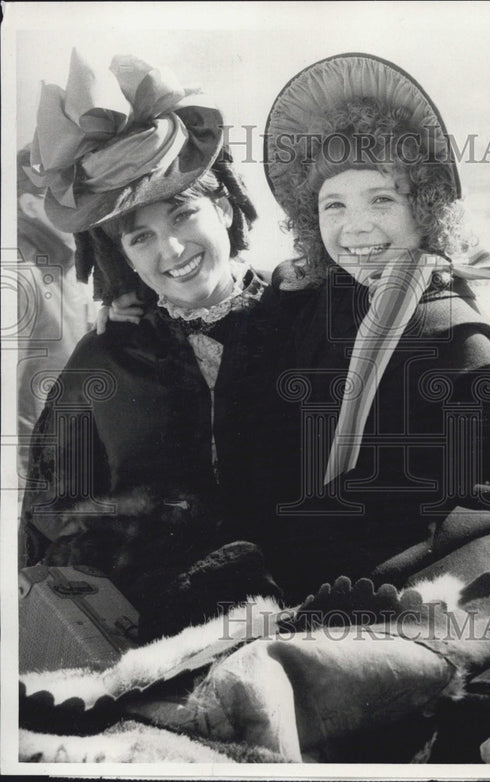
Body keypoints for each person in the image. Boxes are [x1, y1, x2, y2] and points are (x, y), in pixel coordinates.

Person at [237, 53, 490, 609]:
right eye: (333, 204)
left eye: (382, 199)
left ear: (427, 209)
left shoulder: (462, 348)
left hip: (443, 580)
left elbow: (401, 520)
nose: (355, 226)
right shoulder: (332, 302)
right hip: (323, 561)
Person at [19, 49, 280, 638]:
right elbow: (49, 522)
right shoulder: (104, 362)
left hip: (315, 611)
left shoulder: (300, 319)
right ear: (122, 257)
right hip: (154, 638)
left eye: (183, 214)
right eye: (141, 238)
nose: (171, 251)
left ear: (224, 204)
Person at [16, 146, 95, 479]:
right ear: (31, 206)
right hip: (34, 490)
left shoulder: (75, 270)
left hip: (76, 474)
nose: (83, 203)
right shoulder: (20, 277)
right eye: (66, 194)